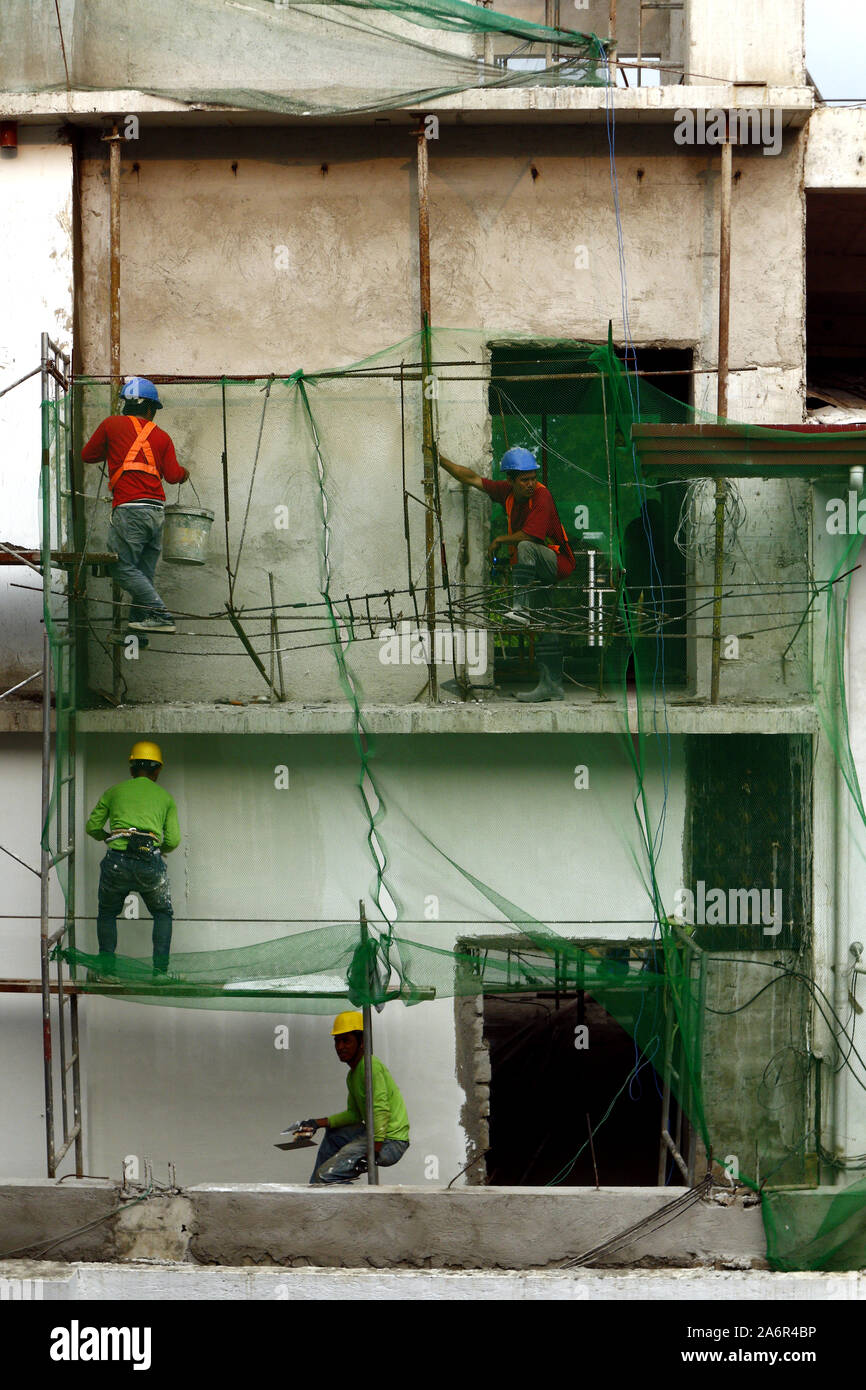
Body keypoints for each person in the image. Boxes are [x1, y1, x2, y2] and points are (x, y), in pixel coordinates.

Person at [439, 446, 575, 701]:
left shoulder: (542, 497)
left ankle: (520, 608)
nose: (531, 484)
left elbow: (531, 537)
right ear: (511, 481)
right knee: (545, 624)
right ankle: (552, 686)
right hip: (538, 568)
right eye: (525, 480)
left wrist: (500, 538)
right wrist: (439, 458)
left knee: (524, 545)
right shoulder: (507, 493)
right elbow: (470, 478)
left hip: (558, 561)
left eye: (534, 478)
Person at [82, 377, 189, 635]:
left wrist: (114, 448)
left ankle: (161, 615)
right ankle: (137, 632)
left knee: (120, 568)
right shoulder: (161, 436)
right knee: (143, 572)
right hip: (155, 512)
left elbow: (87, 455)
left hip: (130, 509)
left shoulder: (111, 425)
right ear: (150, 408)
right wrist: (186, 473)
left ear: (126, 405)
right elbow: (174, 476)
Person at [85, 741, 181, 976]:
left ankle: (107, 973)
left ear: (131, 768)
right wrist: (161, 847)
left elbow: (92, 826)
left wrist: (107, 836)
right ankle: (160, 974)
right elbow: (174, 840)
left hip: (116, 861)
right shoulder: (165, 798)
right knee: (162, 913)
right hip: (149, 861)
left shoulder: (114, 792)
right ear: (158, 770)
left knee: (107, 913)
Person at [302, 1012, 410, 1184]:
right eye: (337, 1041)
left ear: (362, 1043)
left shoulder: (371, 1068)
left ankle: (325, 1181)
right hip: (375, 1135)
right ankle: (317, 1185)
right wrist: (318, 1122)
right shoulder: (353, 1074)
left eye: (346, 1041)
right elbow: (354, 1114)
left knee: (327, 1174)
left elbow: (380, 1109)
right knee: (334, 1133)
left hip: (390, 1142)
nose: (340, 1047)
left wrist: (374, 1149)